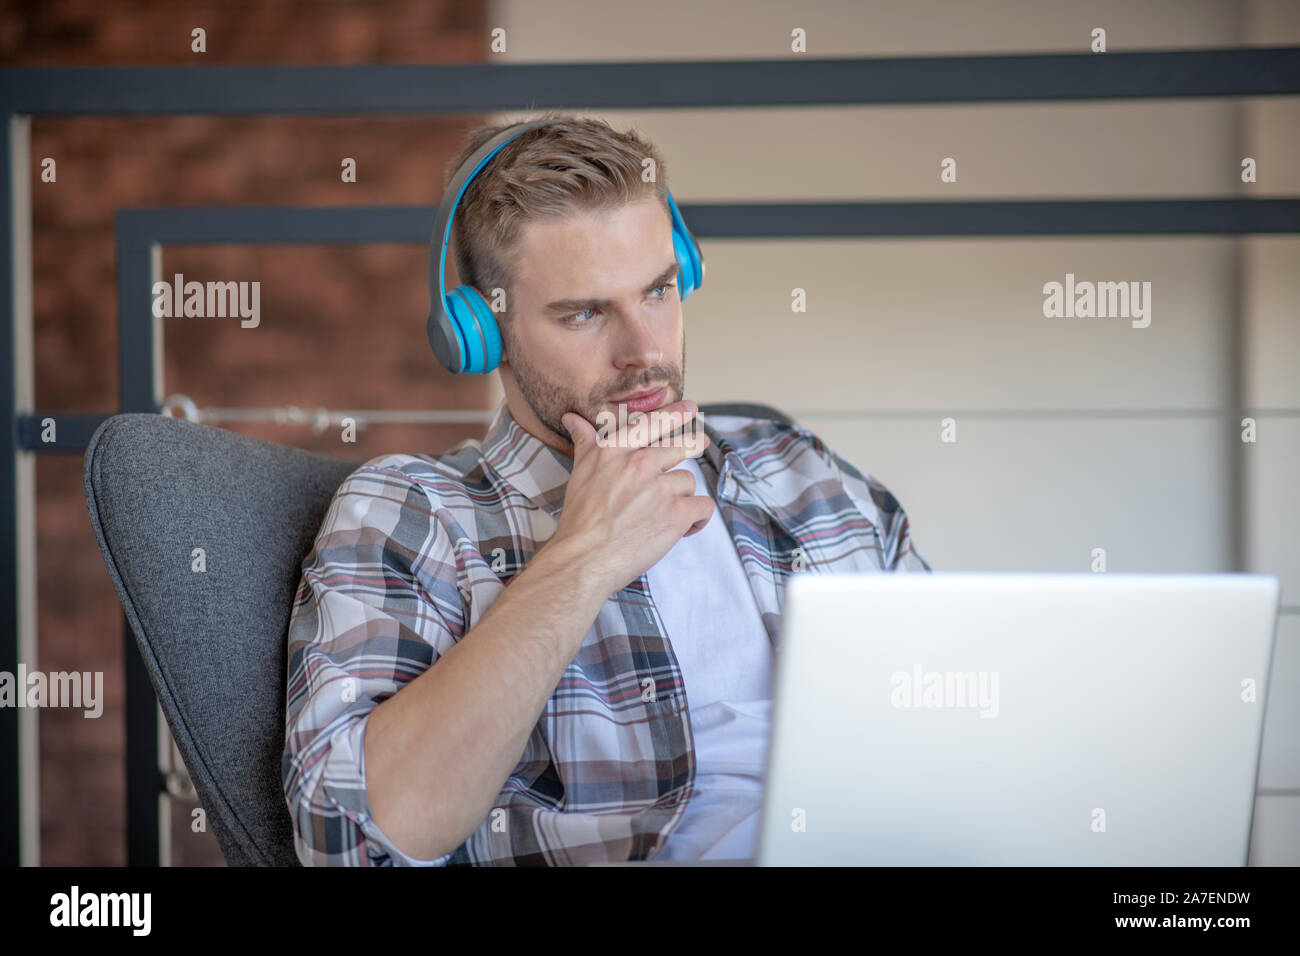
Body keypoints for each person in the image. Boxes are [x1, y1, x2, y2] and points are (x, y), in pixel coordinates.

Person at [281, 112, 930, 866]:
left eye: (658, 291)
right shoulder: (413, 512)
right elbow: (347, 837)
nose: (645, 351)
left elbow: (964, 734)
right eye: (585, 312)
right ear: (480, 330)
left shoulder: (805, 476)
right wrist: (583, 557)